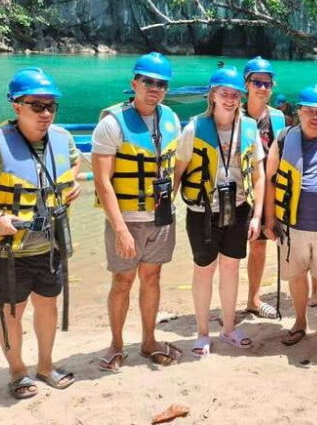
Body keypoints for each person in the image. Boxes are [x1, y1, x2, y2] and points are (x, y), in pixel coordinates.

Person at [0, 68, 81, 399]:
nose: (45, 114)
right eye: (36, 105)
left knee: (48, 305)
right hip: (10, 250)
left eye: (51, 106)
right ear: (16, 106)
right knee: (12, 311)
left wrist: (71, 186)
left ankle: (45, 365)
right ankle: (17, 372)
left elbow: (75, 163)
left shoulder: (63, 138)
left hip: (50, 244)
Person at [92, 52, 182, 371]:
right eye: (148, 81)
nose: (154, 88)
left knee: (153, 277)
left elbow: (176, 166)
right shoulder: (111, 124)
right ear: (134, 83)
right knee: (122, 280)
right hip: (127, 219)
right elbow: (103, 182)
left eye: (161, 83)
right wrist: (119, 229)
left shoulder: (171, 118)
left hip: (160, 218)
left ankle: (148, 340)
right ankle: (116, 344)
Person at [174, 66, 265, 357]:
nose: (230, 98)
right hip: (202, 211)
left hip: (238, 208)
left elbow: (259, 174)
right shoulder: (194, 129)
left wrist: (258, 215)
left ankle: (228, 328)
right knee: (204, 270)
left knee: (231, 267)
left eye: (235, 94)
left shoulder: (249, 128)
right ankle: (202, 333)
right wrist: (165, 213)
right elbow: (177, 172)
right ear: (212, 95)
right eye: (224, 93)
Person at [264, 84, 317, 348]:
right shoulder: (283, 138)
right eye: (309, 111)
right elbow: (270, 181)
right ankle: (300, 321)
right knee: (297, 276)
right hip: (292, 225)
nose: (315, 117)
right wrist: (269, 219)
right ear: (298, 112)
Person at [241, 57, 287, 320]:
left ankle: (253, 299)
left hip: (267, 189)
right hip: (238, 189)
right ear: (246, 84)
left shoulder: (277, 118)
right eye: (257, 82)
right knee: (228, 252)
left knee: (260, 246)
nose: (262, 88)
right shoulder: (235, 113)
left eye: (267, 83)